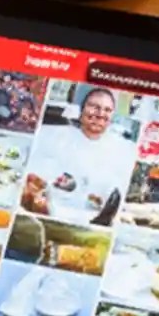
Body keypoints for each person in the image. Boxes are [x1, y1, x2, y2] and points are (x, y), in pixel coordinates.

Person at [21, 87, 137, 225]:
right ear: (81, 110)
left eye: (107, 110)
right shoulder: (51, 136)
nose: (100, 114)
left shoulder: (123, 149)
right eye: (94, 107)